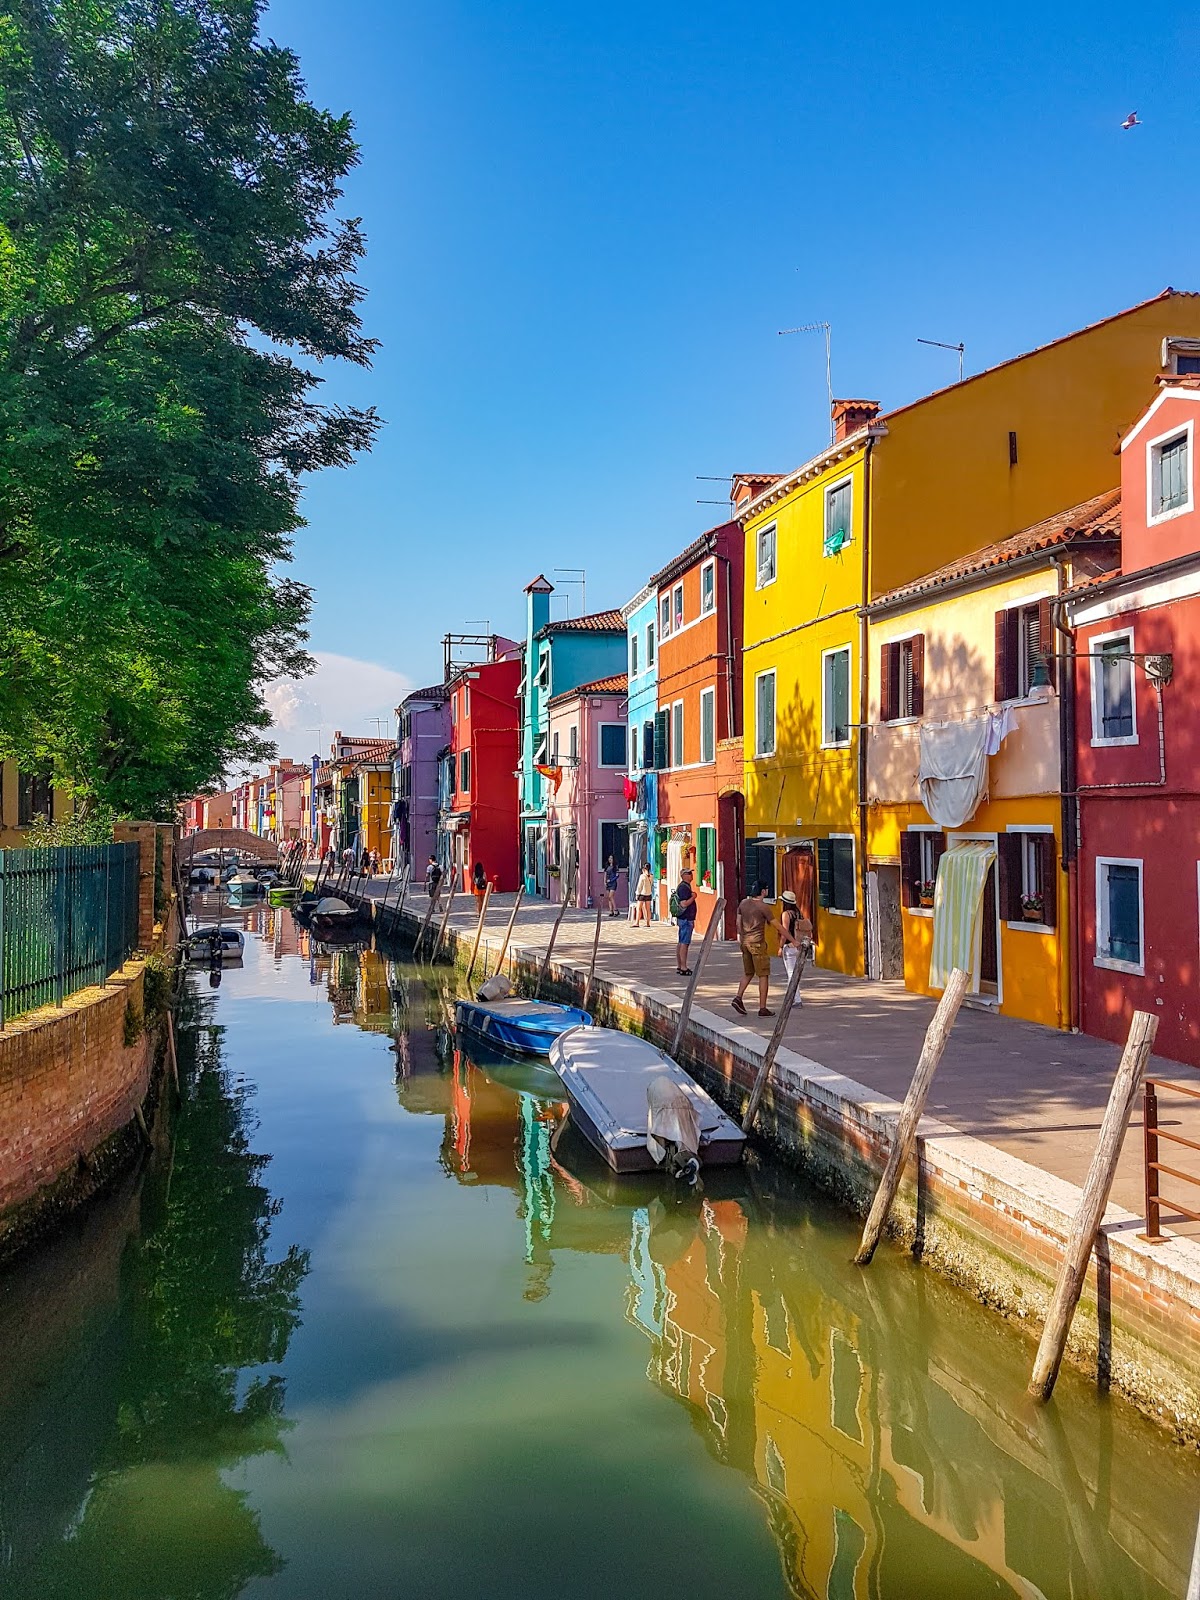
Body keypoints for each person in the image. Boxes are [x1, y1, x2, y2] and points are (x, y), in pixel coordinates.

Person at [732, 883, 780, 1017]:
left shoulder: (743, 903)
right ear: (763, 891)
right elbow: (777, 926)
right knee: (763, 975)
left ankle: (738, 997)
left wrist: (741, 938)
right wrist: (792, 940)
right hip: (757, 944)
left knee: (748, 972)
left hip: (745, 943)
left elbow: (738, 923)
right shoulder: (763, 907)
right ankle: (762, 1008)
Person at [779, 889, 814, 1004]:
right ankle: (795, 998)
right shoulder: (799, 913)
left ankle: (795, 999)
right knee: (795, 972)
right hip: (799, 946)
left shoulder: (786, 914)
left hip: (789, 946)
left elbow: (784, 932)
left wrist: (780, 947)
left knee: (790, 973)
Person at [673, 867, 698, 974]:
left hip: (684, 918)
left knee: (681, 942)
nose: (691, 875)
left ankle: (680, 965)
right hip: (686, 919)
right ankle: (683, 967)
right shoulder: (683, 888)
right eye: (688, 873)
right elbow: (684, 904)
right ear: (683, 876)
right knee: (684, 943)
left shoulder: (685, 886)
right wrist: (693, 897)